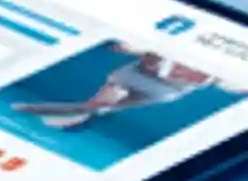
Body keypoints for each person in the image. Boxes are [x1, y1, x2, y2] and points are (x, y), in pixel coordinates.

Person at [12, 43, 246, 129]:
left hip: (165, 92)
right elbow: (133, 47)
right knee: (95, 105)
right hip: (130, 77)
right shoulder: (164, 50)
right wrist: (127, 48)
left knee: (97, 107)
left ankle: (61, 114)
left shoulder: (225, 75)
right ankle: (32, 109)